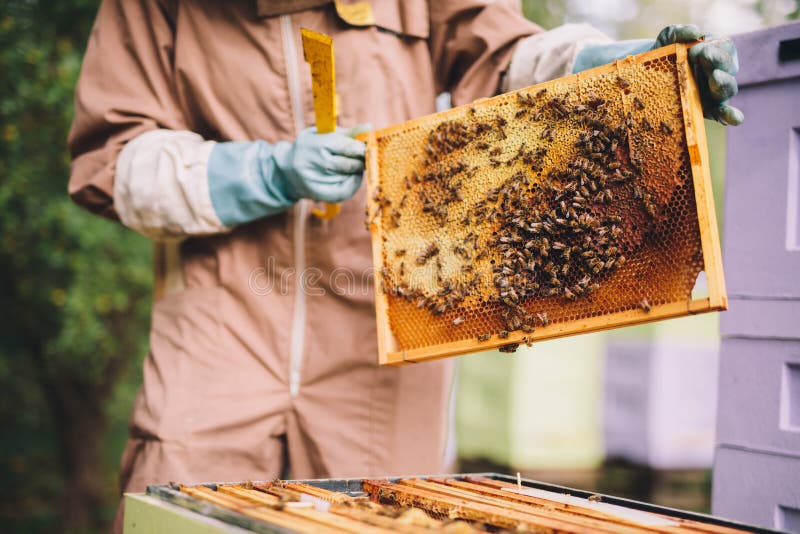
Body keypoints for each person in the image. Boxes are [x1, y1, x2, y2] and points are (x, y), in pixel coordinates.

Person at [67, 0, 741, 528]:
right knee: (181, 510)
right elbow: (112, 161)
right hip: (221, 318)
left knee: (387, 512)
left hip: (391, 311)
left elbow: (506, 56)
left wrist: (615, 67)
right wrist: (262, 171)